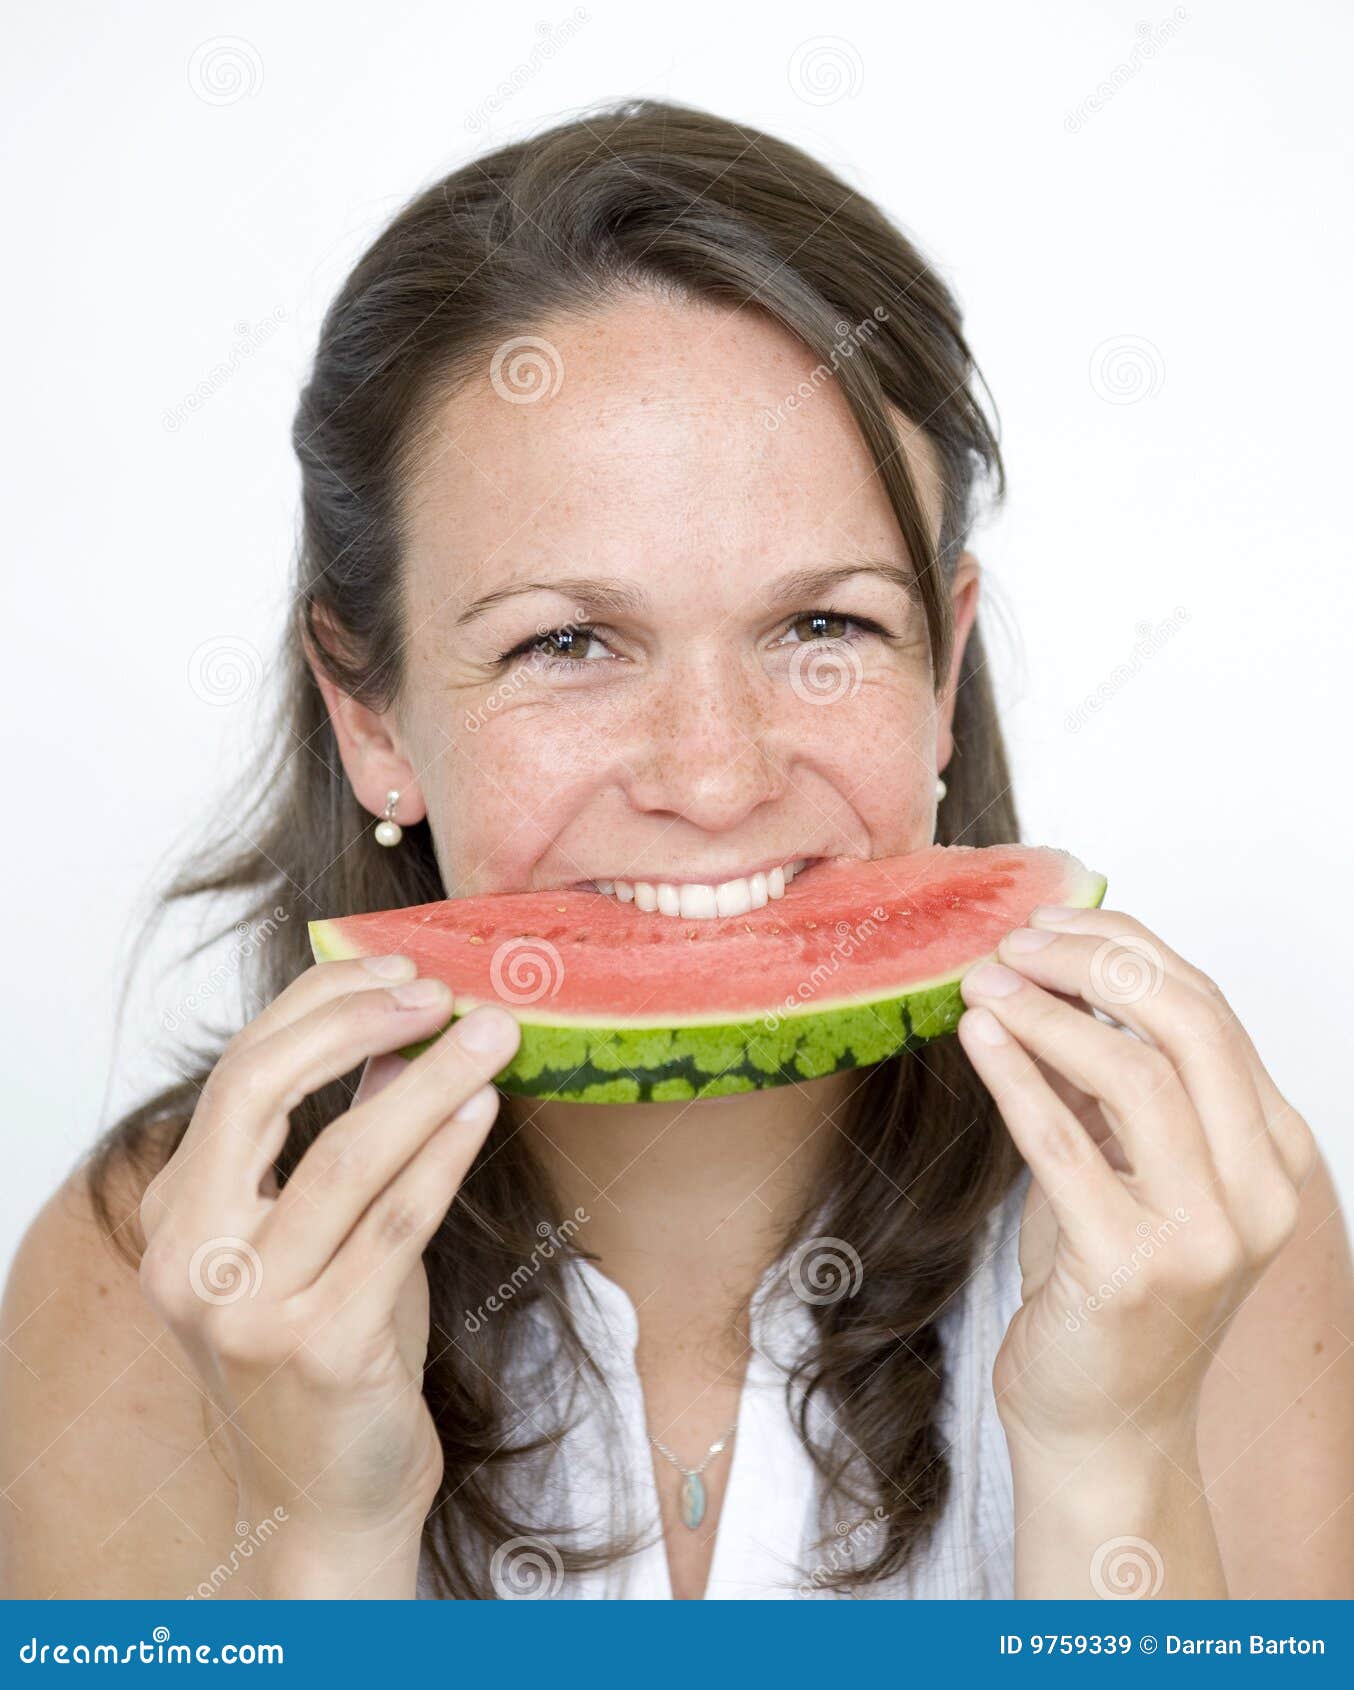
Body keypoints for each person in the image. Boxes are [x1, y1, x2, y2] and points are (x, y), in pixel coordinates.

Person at [2, 99, 1350, 1602]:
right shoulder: (156, 1276)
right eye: (567, 640)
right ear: (368, 713)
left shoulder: (1198, 1231)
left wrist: (1112, 1449)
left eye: (824, 625)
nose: (713, 777)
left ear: (945, 670)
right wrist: (329, 1533)